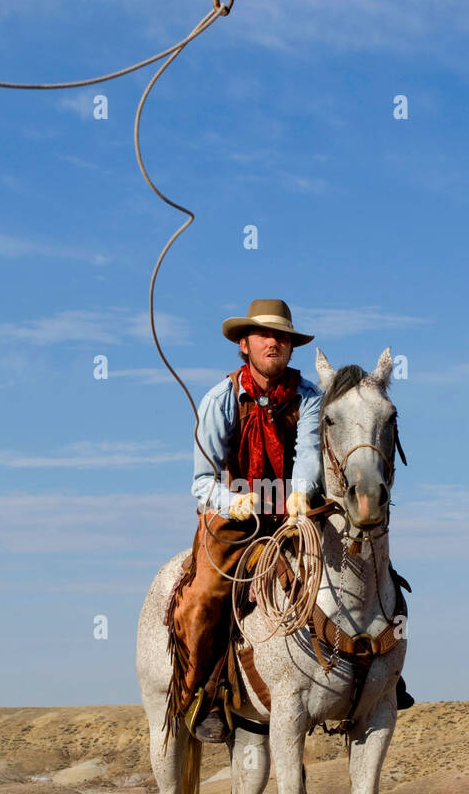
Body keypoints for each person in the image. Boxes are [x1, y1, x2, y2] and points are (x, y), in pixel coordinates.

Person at [168, 298, 413, 744]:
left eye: (282, 337)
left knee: (367, 564)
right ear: (245, 344)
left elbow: (308, 454)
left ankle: (382, 674)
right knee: (206, 596)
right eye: (265, 335)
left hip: (297, 512)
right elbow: (201, 483)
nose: (274, 343)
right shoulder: (219, 399)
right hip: (234, 517)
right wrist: (233, 501)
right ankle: (202, 694)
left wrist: (300, 492)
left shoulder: (309, 399)